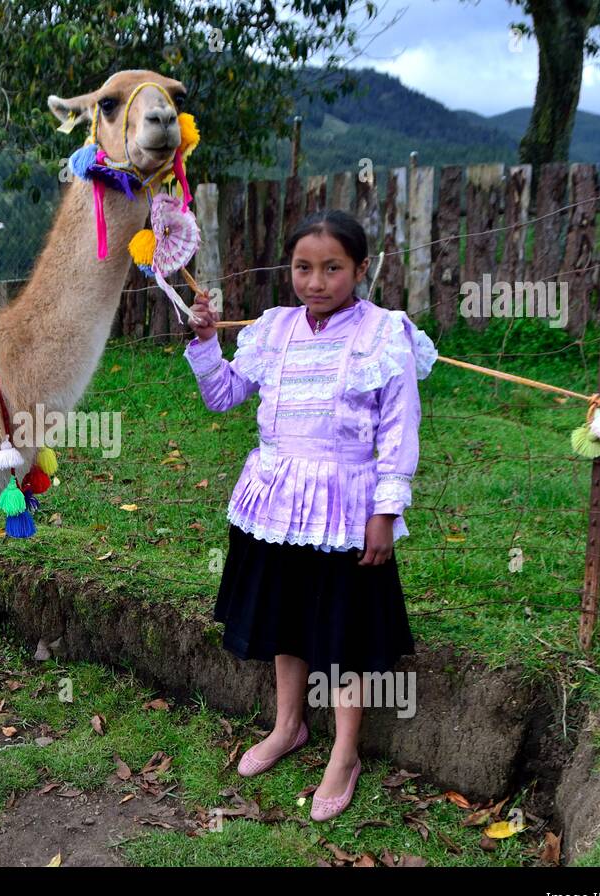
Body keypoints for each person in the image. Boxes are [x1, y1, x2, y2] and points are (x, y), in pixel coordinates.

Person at [184, 209, 437, 821]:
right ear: (289, 268)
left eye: (332, 268)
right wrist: (204, 339)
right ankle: (288, 725)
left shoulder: (385, 335)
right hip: (275, 501)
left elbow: (400, 430)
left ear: (360, 268)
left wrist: (386, 510)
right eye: (303, 267)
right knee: (285, 617)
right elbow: (222, 396)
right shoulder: (273, 331)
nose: (316, 282)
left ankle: (345, 752)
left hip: (348, 509)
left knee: (345, 634)